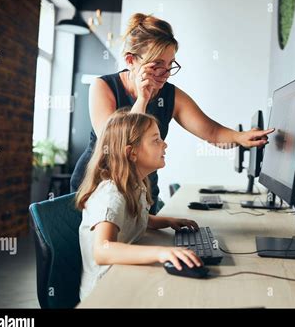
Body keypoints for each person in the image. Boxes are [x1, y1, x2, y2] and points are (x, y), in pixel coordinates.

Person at [70, 12, 274, 214]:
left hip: (143, 192)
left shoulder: (170, 95)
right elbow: (116, 144)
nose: (165, 74)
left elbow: (212, 132)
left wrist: (241, 138)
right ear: (131, 60)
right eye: (157, 64)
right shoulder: (104, 86)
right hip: (100, 189)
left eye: (170, 65)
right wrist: (142, 99)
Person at [75, 110, 203, 301]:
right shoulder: (111, 194)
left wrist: (167, 221)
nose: (165, 144)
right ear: (131, 152)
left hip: (122, 276)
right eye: (156, 140)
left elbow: (131, 217)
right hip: (104, 293)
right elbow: (103, 250)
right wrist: (161, 253)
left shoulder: (134, 185)